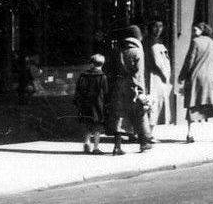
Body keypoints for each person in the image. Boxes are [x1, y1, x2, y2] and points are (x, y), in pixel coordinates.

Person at [178, 22, 213, 143]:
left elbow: (189, 60)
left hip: (196, 78)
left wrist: (182, 76)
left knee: (193, 105)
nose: (193, 31)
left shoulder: (195, 42)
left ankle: (190, 134)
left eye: (195, 29)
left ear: (202, 30)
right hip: (210, 78)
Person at [106, 25, 152, 154]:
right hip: (133, 85)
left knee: (119, 115)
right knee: (140, 114)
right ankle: (144, 143)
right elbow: (139, 73)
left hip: (119, 84)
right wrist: (141, 91)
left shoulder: (117, 50)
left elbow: (111, 69)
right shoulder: (137, 51)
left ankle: (117, 146)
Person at [73, 54, 108, 154]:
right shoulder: (102, 76)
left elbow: (78, 90)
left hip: (85, 104)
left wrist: (77, 102)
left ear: (91, 63)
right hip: (98, 104)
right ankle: (96, 148)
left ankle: (86, 142)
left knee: (87, 124)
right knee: (97, 127)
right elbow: (105, 92)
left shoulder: (83, 75)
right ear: (102, 64)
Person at [144, 20, 171, 127]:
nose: (158, 29)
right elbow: (156, 61)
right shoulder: (151, 41)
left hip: (159, 76)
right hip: (154, 76)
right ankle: (148, 132)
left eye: (161, 26)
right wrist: (164, 74)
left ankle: (150, 131)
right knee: (153, 102)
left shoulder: (158, 40)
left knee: (157, 102)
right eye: (155, 26)